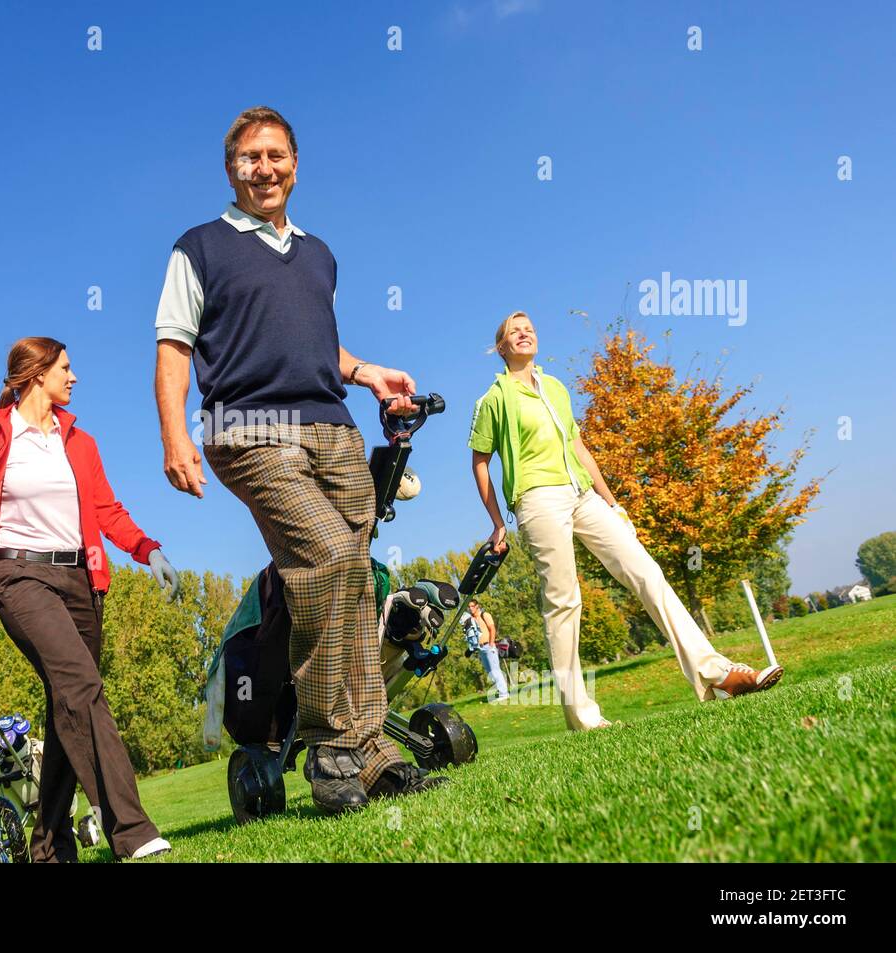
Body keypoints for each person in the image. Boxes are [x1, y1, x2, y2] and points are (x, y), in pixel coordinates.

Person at [154, 105, 441, 814]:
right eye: (250, 157)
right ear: (231, 170)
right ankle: (329, 743)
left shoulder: (319, 255)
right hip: (248, 428)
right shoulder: (199, 247)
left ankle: (371, 751)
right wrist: (174, 436)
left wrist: (366, 372)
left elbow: (316, 343)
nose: (265, 168)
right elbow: (174, 346)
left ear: (295, 165)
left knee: (358, 579)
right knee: (325, 555)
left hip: (333, 427)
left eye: (276, 155)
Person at [466, 311, 784, 731]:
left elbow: (579, 449)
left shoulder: (556, 388)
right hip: (538, 499)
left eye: (530, 329)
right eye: (514, 331)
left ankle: (716, 675)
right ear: (502, 347)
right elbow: (480, 461)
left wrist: (612, 502)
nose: (524, 334)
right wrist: (497, 522)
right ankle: (582, 718)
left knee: (646, 572)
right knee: (564, 602)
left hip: (582, 494)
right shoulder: (494, 399)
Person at [0, 336, 178, 861]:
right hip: (18, 576)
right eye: (65, 368)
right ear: (36, 374)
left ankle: (48, 845)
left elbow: (107, 509)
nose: (74, 377)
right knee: (82, 687)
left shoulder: (80, 442)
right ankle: (131, 830)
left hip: (80, 580)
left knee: (69, 702)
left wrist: (147, 548)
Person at [464, 599, 509, 701]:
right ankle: (500, 691)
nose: (470, 608)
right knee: (490, 673)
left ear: (477, 606)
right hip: (480, 648)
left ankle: (504, 694)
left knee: (495, 670)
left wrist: (491, 644)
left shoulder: (485, 615)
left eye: (472, 606)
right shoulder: (471, 619)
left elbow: (492, 628)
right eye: (469, 607)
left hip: (489, 646)